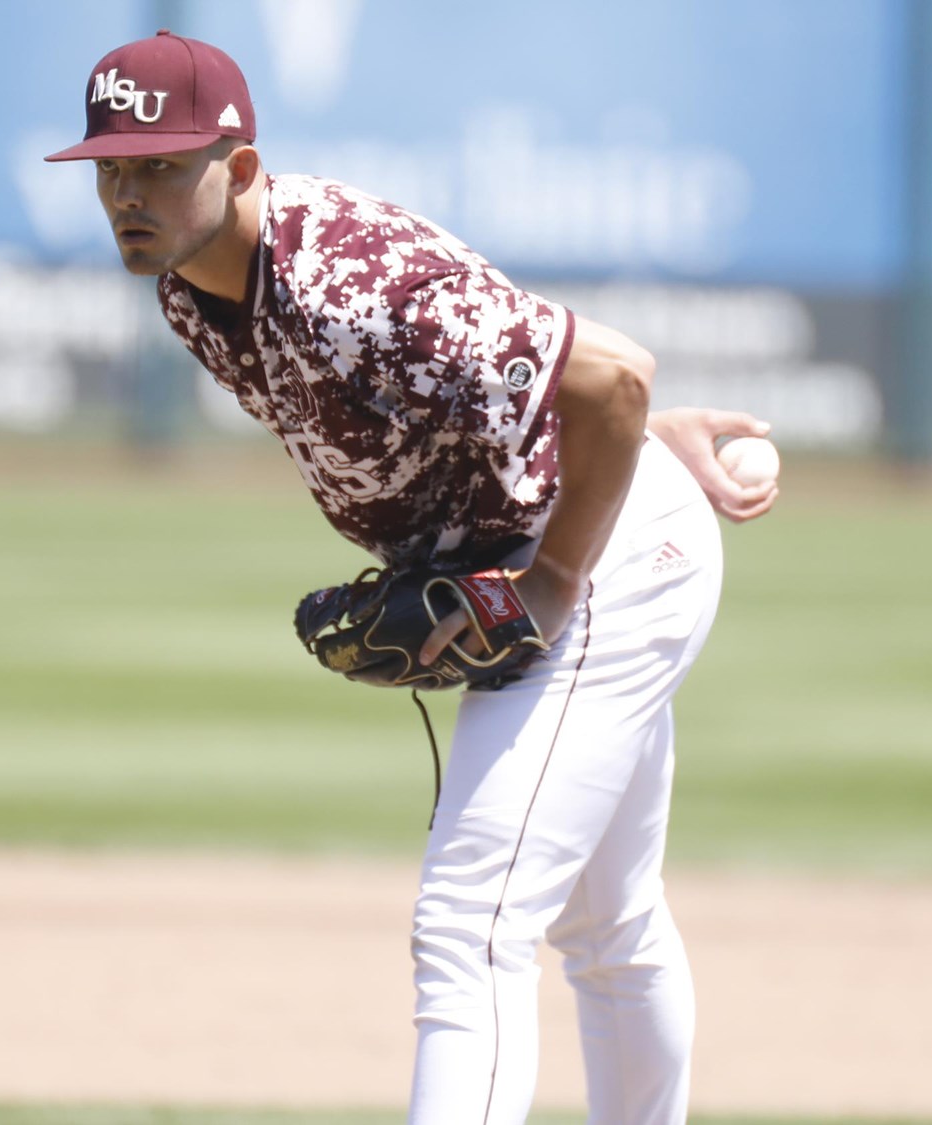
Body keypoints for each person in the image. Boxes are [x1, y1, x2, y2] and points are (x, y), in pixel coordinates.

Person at [47, 31, 777, 1124]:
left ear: (239, 168)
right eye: (112, 168)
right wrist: (596, 439)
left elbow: (615, 375)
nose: (128, 194)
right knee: (605, 926)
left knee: (469, 925)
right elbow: (550, 395)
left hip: (602, 561)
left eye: (160, 164)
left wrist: (555, 577)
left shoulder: (352, 281)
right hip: (552, 526)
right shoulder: (189, 290)